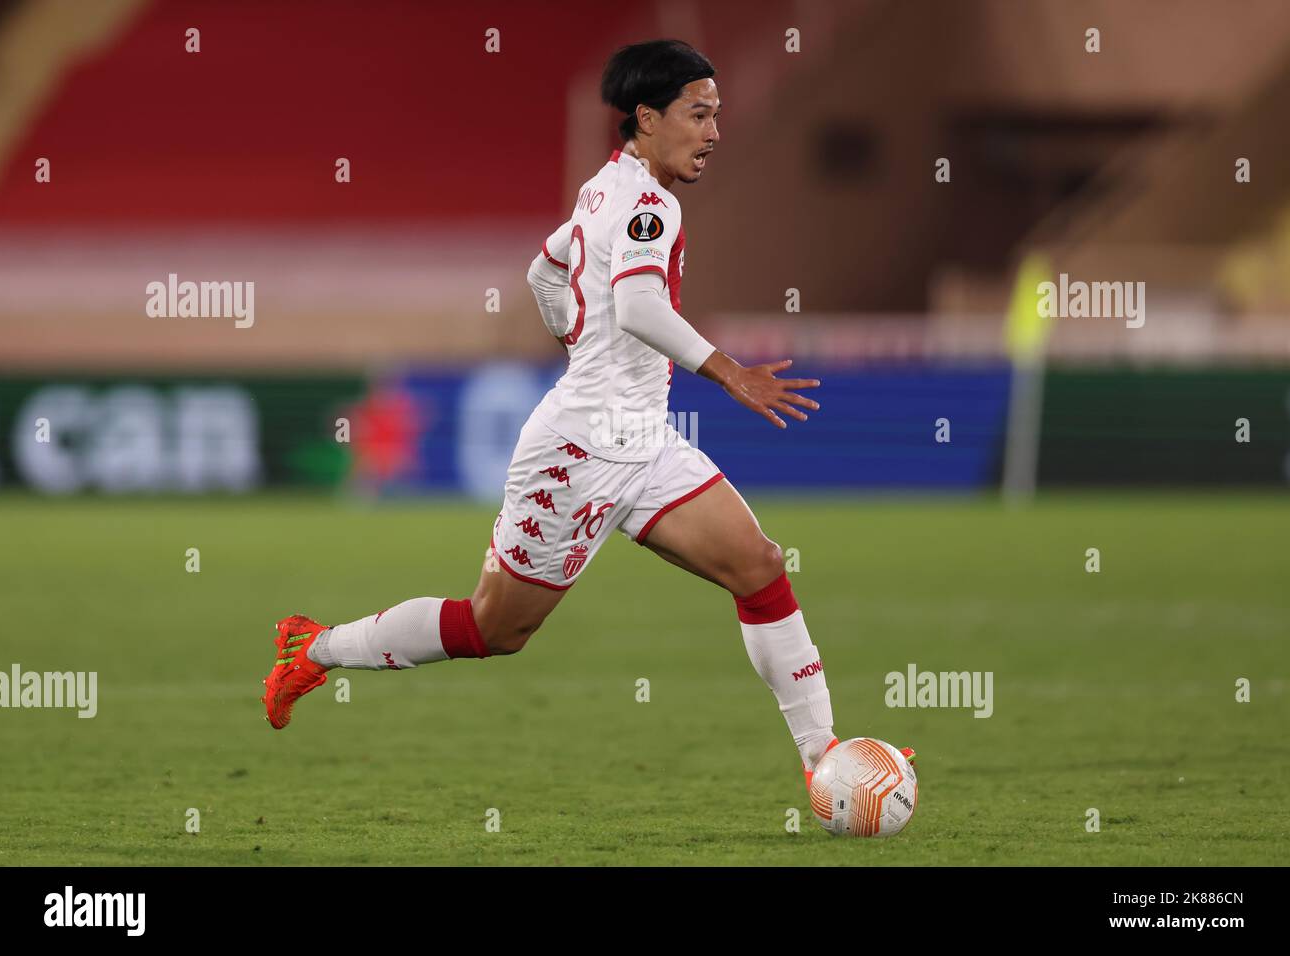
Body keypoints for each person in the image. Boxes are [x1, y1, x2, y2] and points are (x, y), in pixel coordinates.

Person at [262, 39, 910, 792]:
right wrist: (729, 372)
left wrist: (575, 337)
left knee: (761, 568)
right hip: (578, 452)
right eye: (698, 115)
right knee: (495, 628)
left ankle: (822, 759)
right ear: (648, 118)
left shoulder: (603, 188)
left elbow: (545, 269)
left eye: (716, 115)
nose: (714, 133)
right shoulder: (647, 206)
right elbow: (637, 306)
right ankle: (314, 649)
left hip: (644, 441)